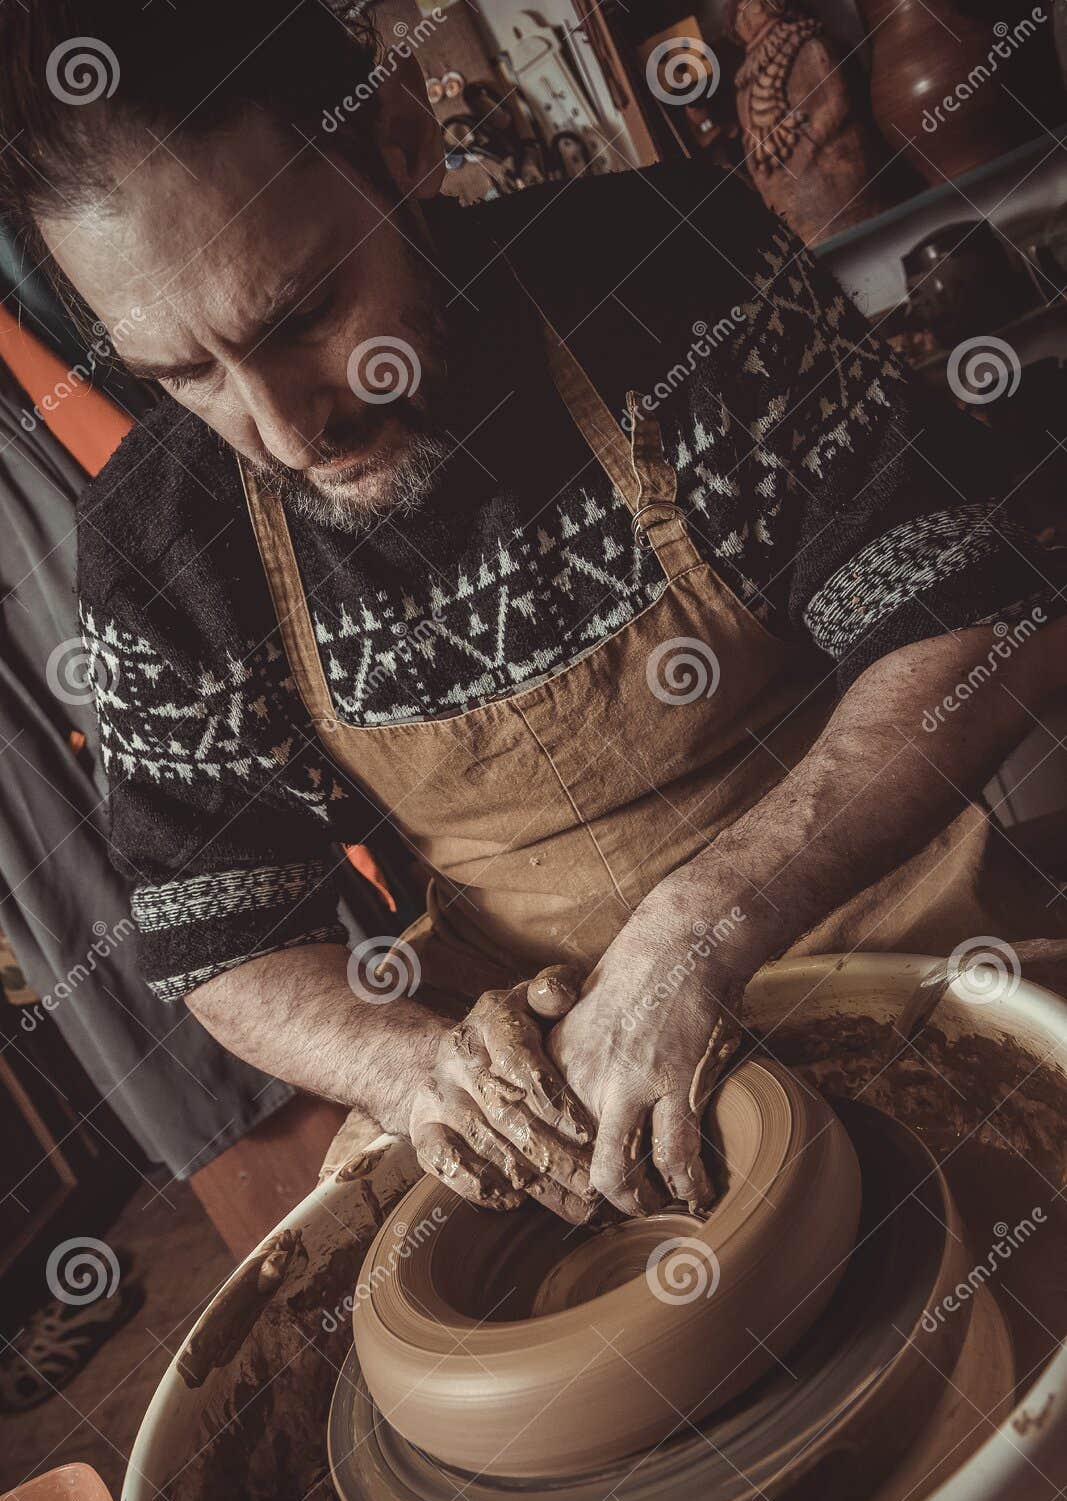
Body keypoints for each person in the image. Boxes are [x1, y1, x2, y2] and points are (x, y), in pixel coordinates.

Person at [3, 0, 1063, 1223]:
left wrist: (699, 926)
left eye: (300, 316)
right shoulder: (159, 534)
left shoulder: (671, 267)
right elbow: (221, 937)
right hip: (526, 1046)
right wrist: (410, 1068)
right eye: (182, 375)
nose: (287, 432)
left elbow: (971, 620)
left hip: (866, 912)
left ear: (398, 144)